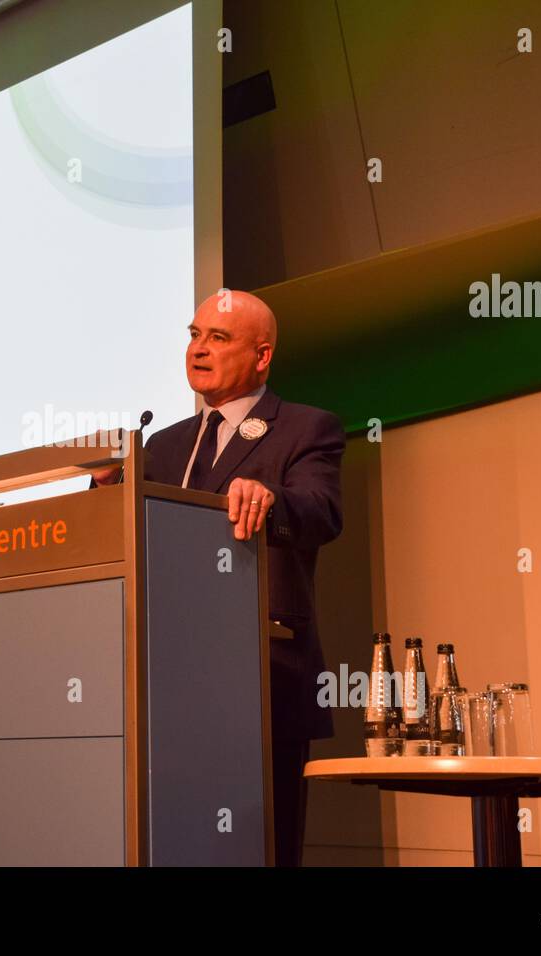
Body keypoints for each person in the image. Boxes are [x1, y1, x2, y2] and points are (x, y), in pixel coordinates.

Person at [95, 289, 344, 866]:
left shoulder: (306, 428)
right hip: (168, 681)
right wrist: (103, 495)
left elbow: (322, 512)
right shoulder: (163, 444)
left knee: (261, 848)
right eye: (193, 334)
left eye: (218, 338)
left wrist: (271, 498)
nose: (198, 349)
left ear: (262, 357)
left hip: (261, 675)